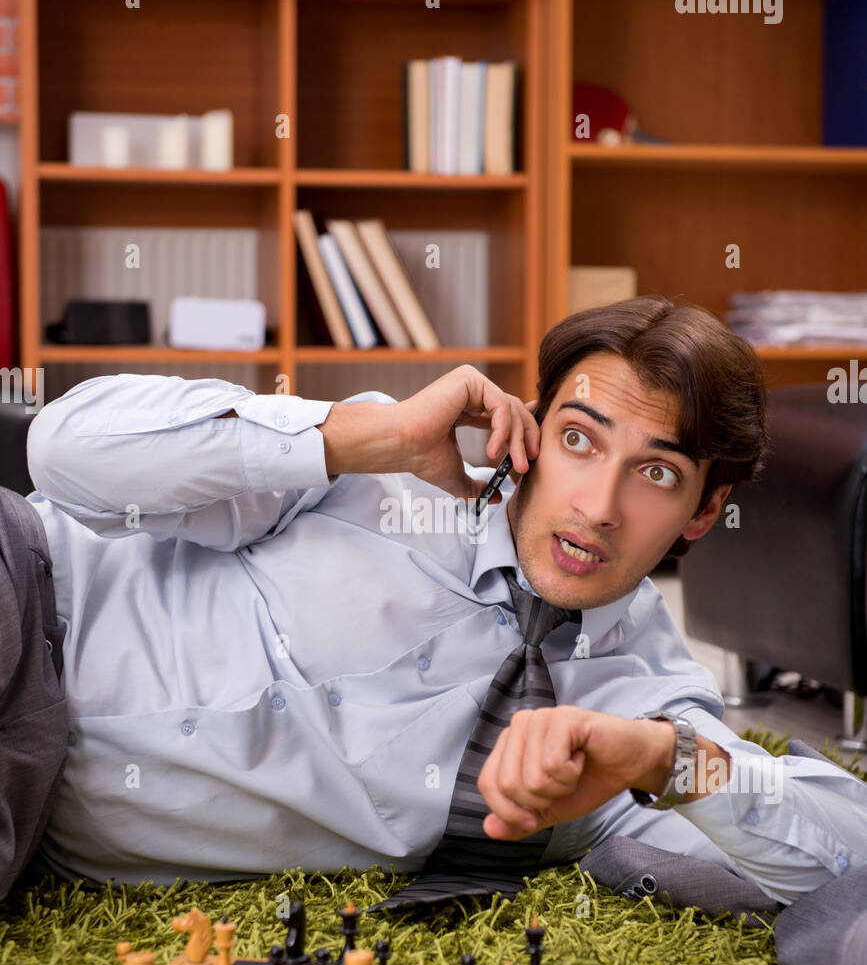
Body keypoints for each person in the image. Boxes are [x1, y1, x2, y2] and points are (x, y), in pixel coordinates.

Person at [7, 296, 867, 917]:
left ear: (704, 511)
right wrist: (354, 439)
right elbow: (62, 453)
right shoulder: (377, 467)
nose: (597, 506)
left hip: (25, 821)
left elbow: (845, 856)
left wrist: (662, 761)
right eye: (579, 439)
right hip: (28, 590)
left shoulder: (637, 710)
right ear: (530, 427)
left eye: (656, 473)